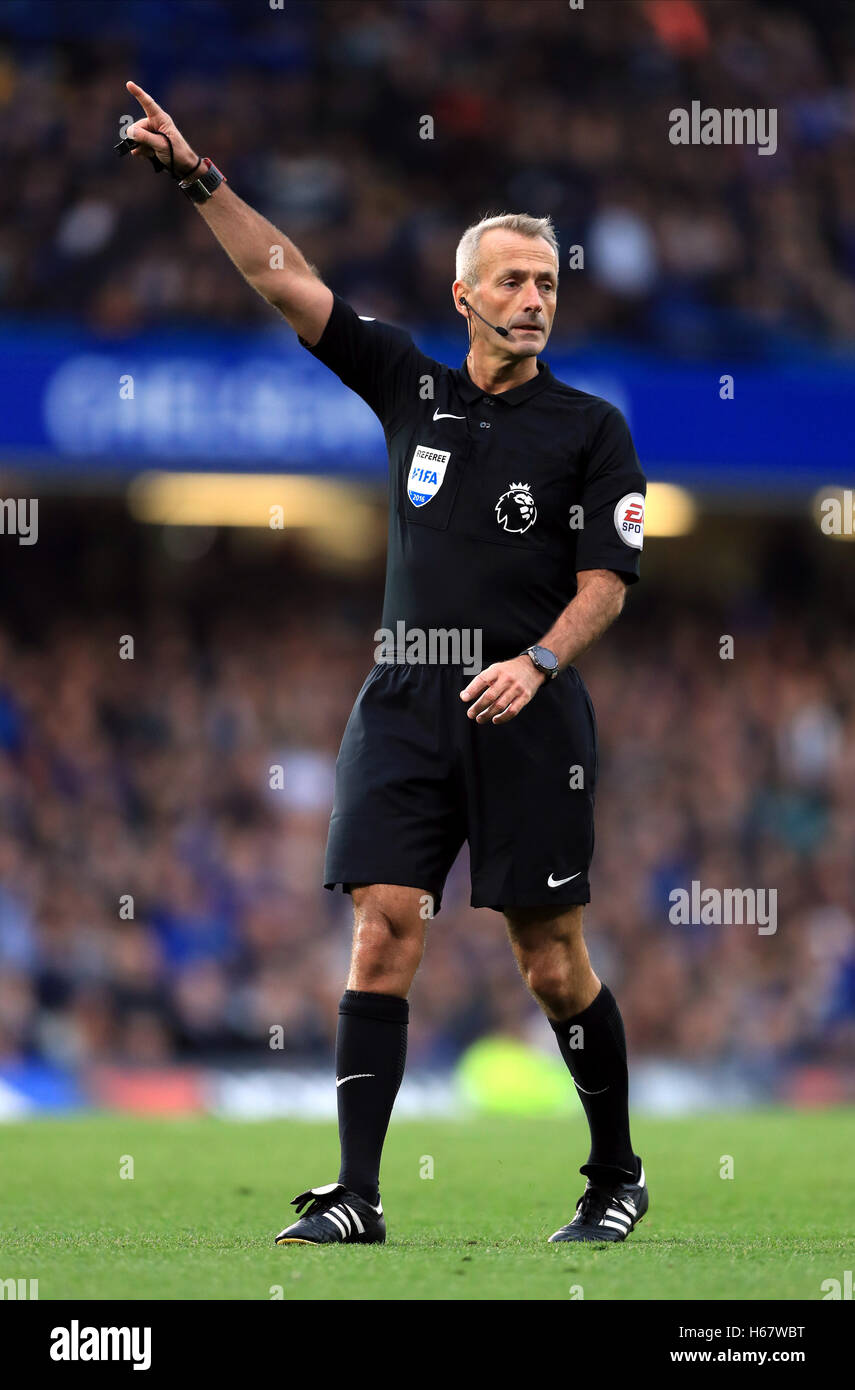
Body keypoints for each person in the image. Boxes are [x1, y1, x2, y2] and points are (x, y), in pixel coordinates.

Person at [123, 80, 649, 1246]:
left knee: (552, 961)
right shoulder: (410, 385)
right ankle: (356, 1194)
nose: (533, 299)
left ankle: (615, 1172)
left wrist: (542, 664)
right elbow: (285, 280)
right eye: (512, 280)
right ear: (464, 293)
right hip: (407, 691)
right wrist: (203, 180)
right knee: (382, 924)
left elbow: (606, 583)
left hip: (532, 707)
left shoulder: (593, 431)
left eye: (549, 284)